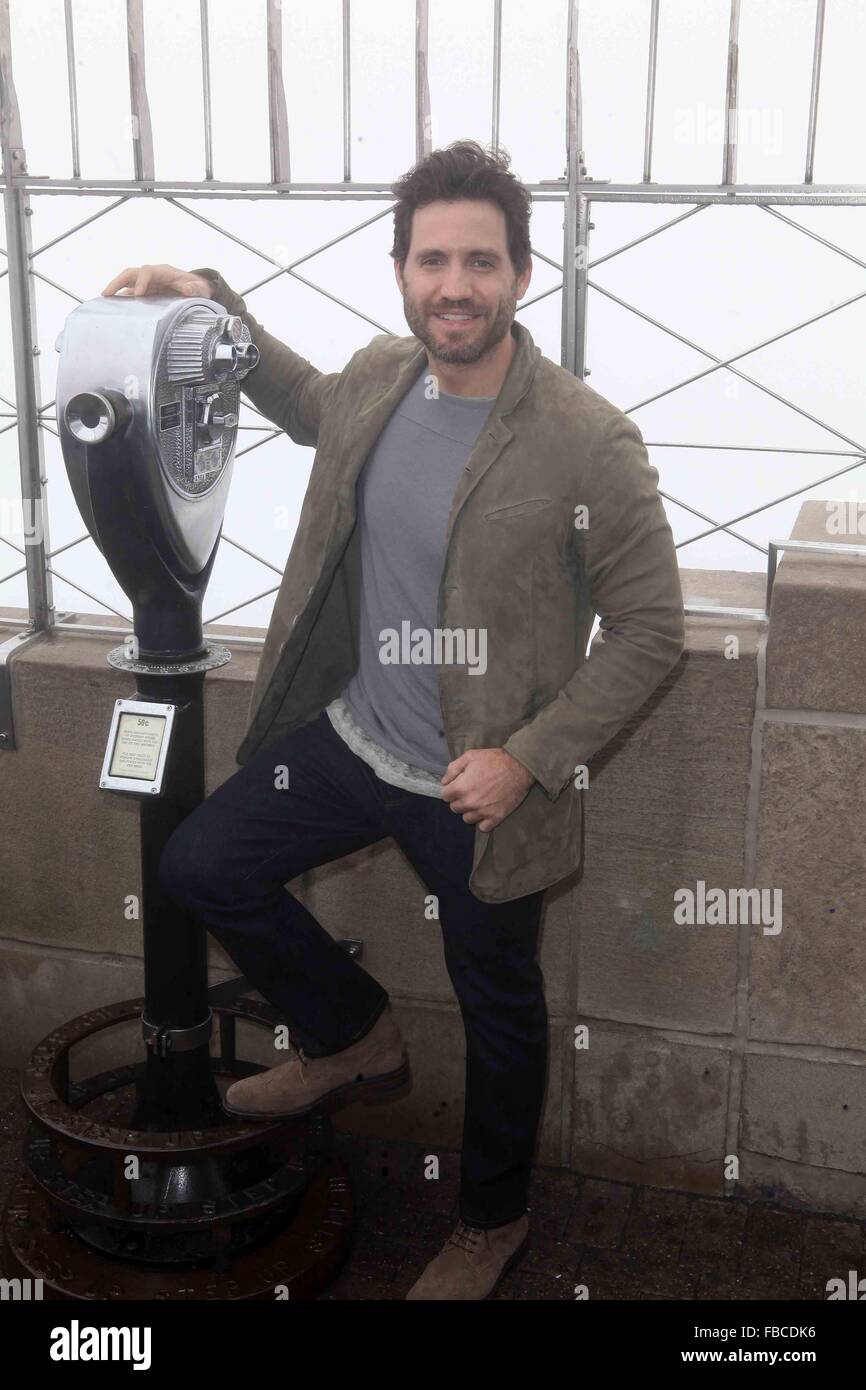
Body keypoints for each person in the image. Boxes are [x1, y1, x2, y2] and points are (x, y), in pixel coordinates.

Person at [101, 139, 685, 1300]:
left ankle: (488, 1220)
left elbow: (650, 630)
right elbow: (303, 400)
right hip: (353, 741)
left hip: (479, 793)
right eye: (431, 260)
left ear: (520, 275)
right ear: (401, 270)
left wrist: (527, 759)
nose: (452, 284)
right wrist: (212, 300)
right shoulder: (378, 375)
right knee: (204, 862)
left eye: (479, 261)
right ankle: (353, 1036)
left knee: (501, 1017)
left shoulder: (585, 436)